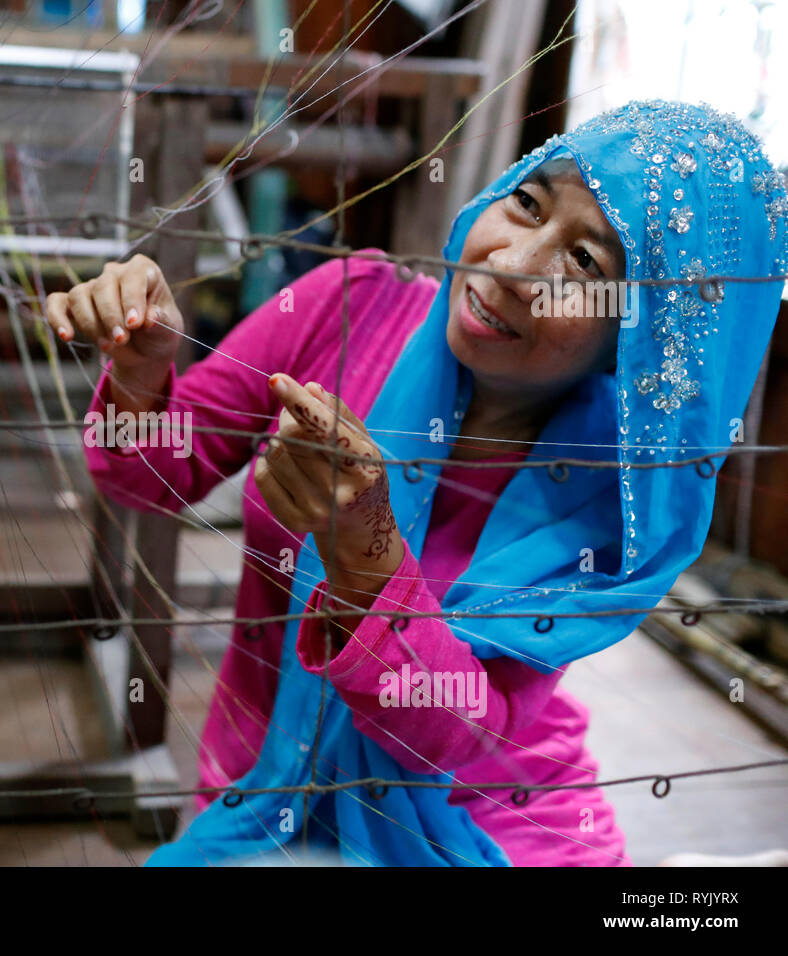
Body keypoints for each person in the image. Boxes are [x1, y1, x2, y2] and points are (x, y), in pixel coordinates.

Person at [45, 100, 788, 865]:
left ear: (637, 336)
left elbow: (458, 729)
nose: (511, 265)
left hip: (490, 816)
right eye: (527, 203)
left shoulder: (610, 488)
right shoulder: (343, 306)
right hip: (267, 789)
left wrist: (366, 555)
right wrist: (139, 377)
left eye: (587, 264)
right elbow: (145, 477)